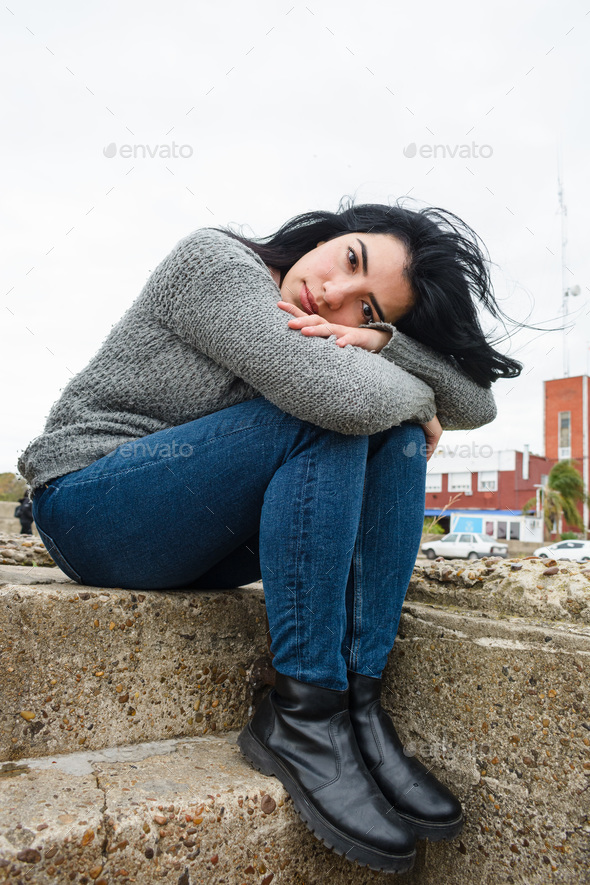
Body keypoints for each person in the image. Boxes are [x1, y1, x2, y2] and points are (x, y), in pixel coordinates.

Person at [18, 199, 521, 874]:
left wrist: (388, 347)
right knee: (341, 415)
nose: (336, 293)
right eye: (351, 260)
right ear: (333, 233)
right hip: (89, 507)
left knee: (396, 437)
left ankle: (355, 702)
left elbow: (478, 404)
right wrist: (418, 391)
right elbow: (342, 401)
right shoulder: (215, 266)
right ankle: (302, 712)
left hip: (195, 535)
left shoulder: (330, 327)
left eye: (367, 309)